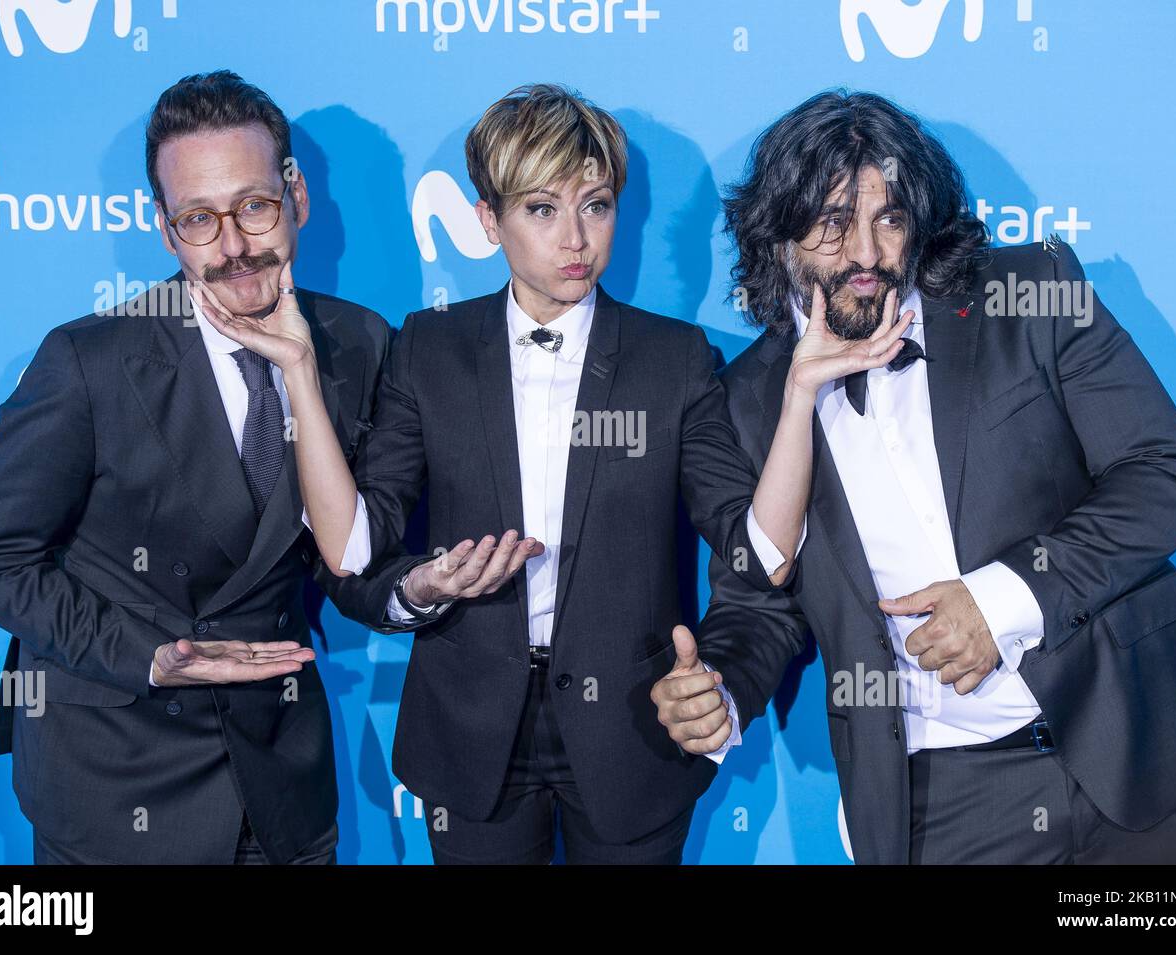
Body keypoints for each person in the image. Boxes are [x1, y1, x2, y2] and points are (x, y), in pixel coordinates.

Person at [303, 84, 901, 864]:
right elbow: (354, 555)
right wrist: (423, 587)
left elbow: (761, 554)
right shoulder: (427, 349)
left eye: (597, 204)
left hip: (634, 733)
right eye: (542, 210)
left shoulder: (675, 359)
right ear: (489, 220)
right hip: (469, 727)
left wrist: (797, 397)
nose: (577, 238)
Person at [665, 89, 1176, 864]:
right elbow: (759, 603)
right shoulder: (744, 403)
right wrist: (723, 693)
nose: (866, 253)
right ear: (780, 235)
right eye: (833, 224)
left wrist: (1004, 597)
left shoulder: (1029, 291)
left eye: (889, 218)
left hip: (1147, 738)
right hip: (949, 802)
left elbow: (1165, 475)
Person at [0, 70, 390, 864]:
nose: (232, 247)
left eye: (253, 206)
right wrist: (149, 656)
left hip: (281, 780)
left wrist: (417, 589)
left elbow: (347, 554)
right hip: (118, 779)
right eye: (198, 219)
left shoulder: (359, 344)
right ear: (163, 228)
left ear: (296, 194)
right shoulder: (87, 360)